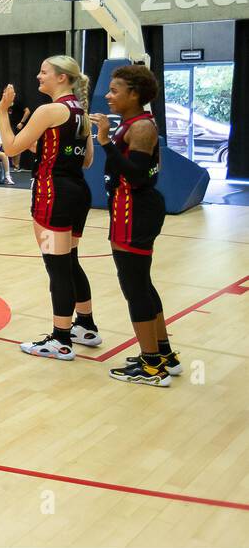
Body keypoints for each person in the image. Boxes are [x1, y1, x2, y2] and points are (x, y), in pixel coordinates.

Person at [0, 56, 97, 360]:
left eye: (44, 72)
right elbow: (87, 160)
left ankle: (61, 339)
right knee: (70, 261)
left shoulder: (49, 110)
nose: (38, 76)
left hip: (52, 195)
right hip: (78, 192)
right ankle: (86, 326)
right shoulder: (80, 111)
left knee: (58, 268)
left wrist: (3, 112)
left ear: (62, 78)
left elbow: (10, 147)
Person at [90, 65, 179, 386]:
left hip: (134, 210)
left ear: (135, 94)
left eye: (115, 91)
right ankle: (163, 353)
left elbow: (137, 175)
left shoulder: (141, 127)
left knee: (134, 288)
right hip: (131, 209)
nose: (109, 96)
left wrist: (104, 143)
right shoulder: (133, 123)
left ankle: (151, 365)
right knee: (143, 284)